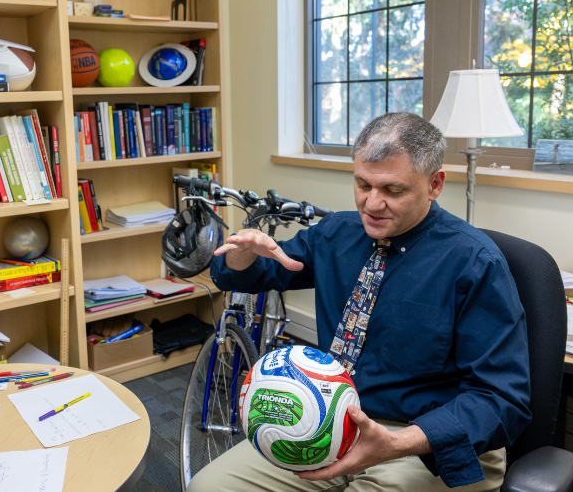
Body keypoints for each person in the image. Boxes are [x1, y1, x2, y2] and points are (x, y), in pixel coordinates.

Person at [190, 113, 531, 492]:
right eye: (363, 184)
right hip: (332, 424)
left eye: (393, 190)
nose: (372, 203)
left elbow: (501, 399)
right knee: (208, 486)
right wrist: (243, 254)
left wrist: (398, 443)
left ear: (434, 184)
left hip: (427, 442)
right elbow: (253, 275)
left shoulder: (474, 262)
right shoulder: (336, 232)